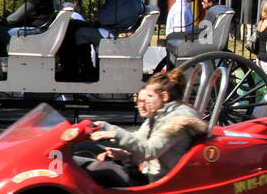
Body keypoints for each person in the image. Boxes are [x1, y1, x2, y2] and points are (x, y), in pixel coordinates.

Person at [81, 69, 209, 188]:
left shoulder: (176, 122)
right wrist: (104, 127)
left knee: (100, 171)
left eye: (149, 96)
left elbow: (149, 151)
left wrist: (115, 134)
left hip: (160, 183)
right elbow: (138, 138)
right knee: (87, 151)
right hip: (148, 174)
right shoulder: (159, 116)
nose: (145, 102)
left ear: (164, 97)